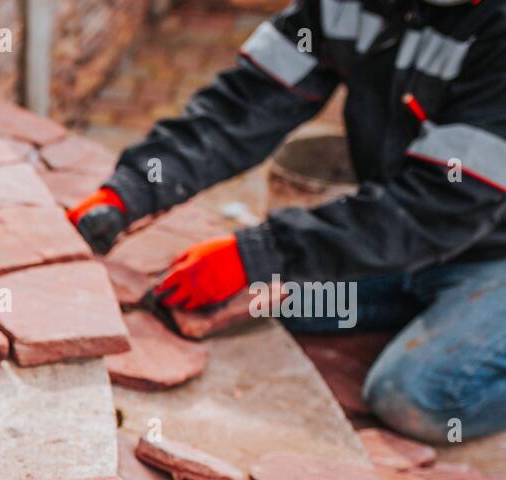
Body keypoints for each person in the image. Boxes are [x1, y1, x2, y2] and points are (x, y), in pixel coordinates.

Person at [68, 0, 506, 443]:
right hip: (411, 239)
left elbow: (440, 206)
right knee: (265, 303)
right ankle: (431, 308)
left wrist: (256, 253)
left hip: (489, 253)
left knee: (415, 397)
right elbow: (248, 102)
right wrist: (130, 190)